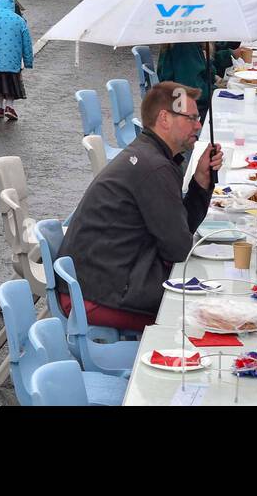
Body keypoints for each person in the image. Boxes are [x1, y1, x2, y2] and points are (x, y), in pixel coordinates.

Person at [57, 81, 222, 330]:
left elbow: (179, 231)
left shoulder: (149, 155)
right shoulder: (154, 167)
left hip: (97, 281)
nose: (198, 125)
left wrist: (200, 182)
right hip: (98, 295)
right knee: (196, 315)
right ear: (164, 118)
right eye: (191, 118)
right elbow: (179, 250)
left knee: (199, 297)